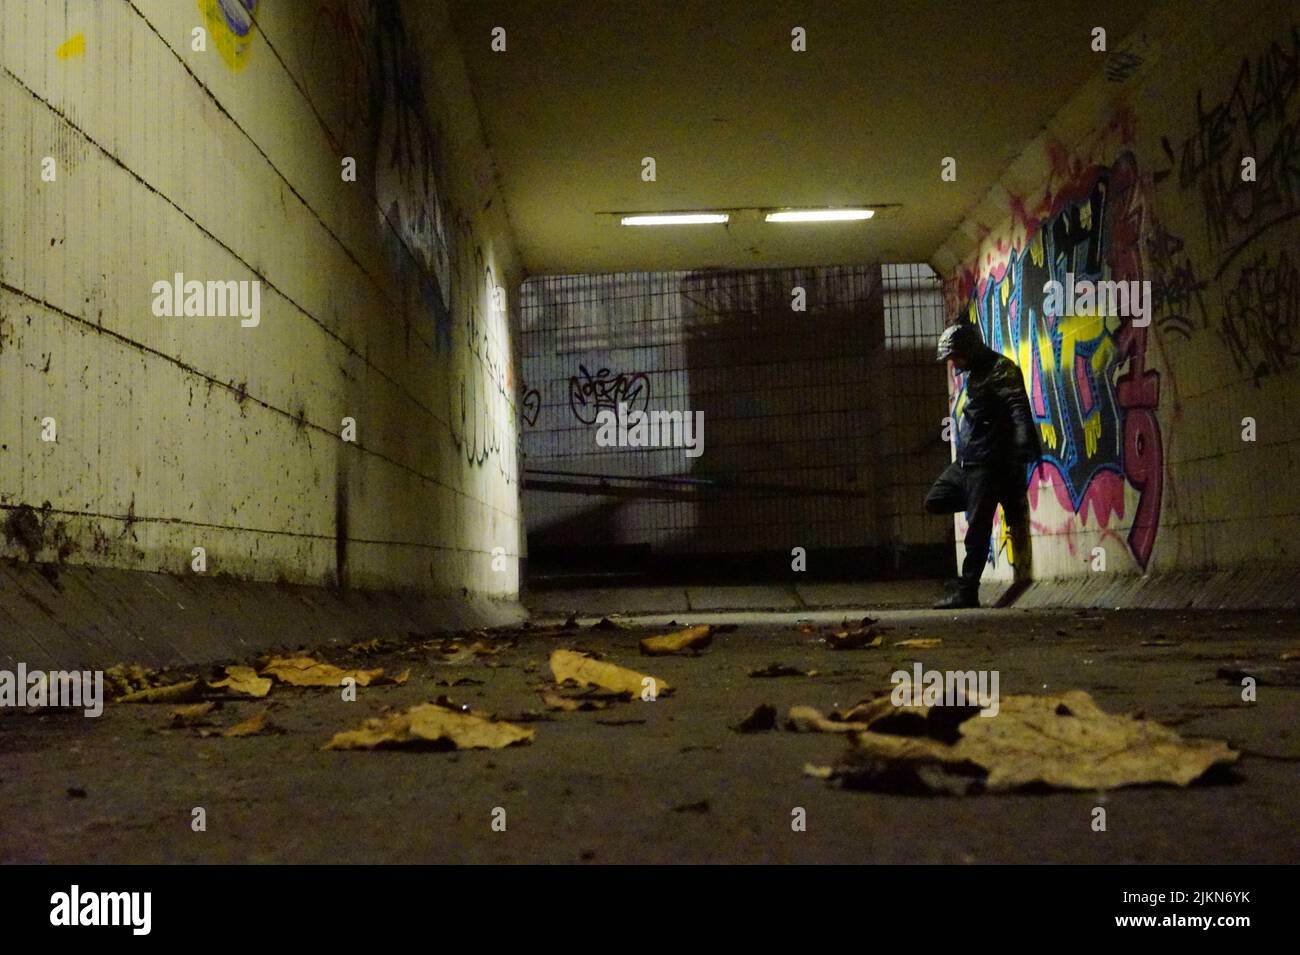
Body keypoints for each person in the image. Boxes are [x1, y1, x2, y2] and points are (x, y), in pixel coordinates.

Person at [925, 322, 1040, 609]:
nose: (954, 363)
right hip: (966, 463)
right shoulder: (975, 373)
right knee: (935, 500)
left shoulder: (1002, 369)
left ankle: (967, 592)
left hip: (986, 463)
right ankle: (987, 500)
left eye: (955, 356)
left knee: (976, 528)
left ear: (969, 349)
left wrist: (1024, 442)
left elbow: (1017, 406)